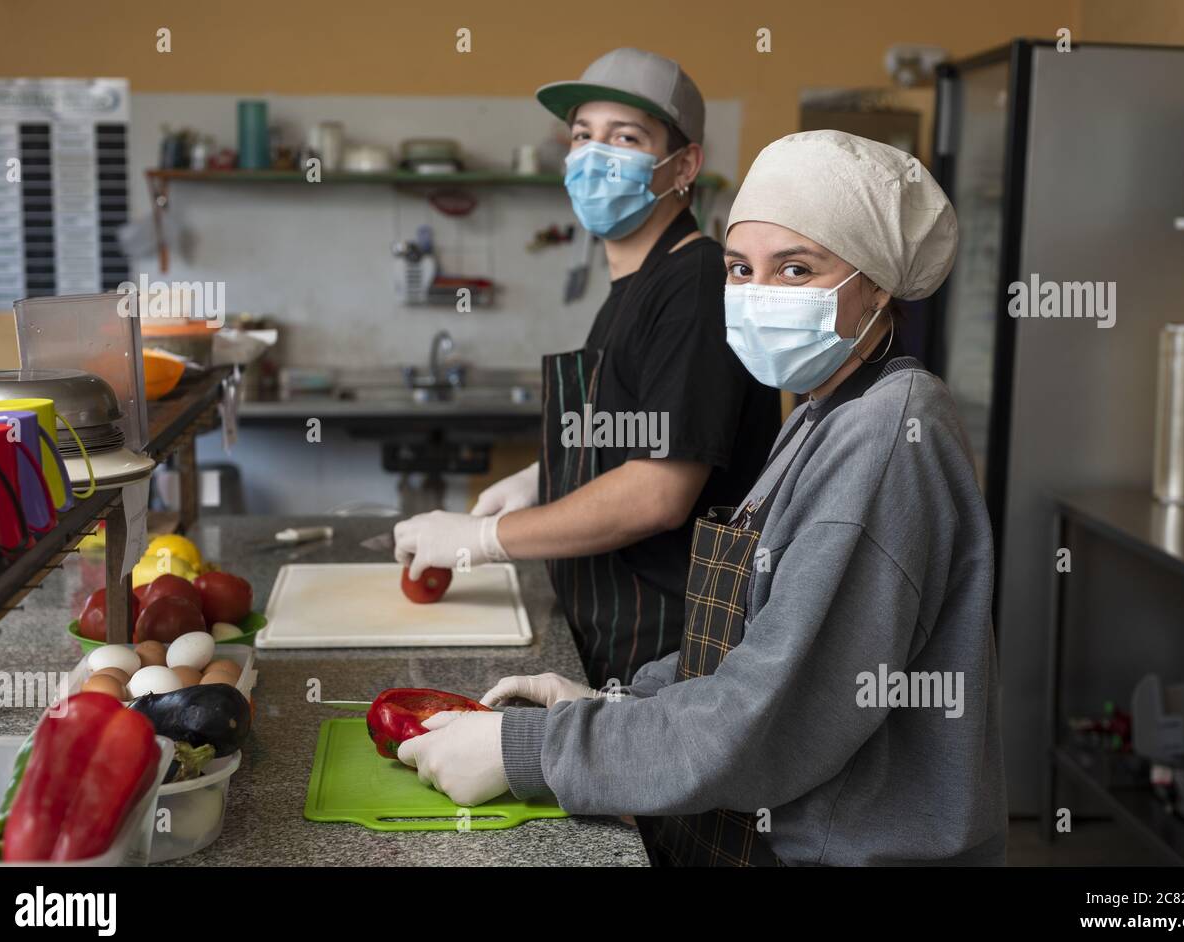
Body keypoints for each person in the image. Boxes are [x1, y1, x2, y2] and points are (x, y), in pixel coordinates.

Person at [397, 130, 1007, 866]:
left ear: (876, 284)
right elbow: (750, 642)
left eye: (797, 269)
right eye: (741, 269)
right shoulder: (825, 410)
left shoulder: (889, 438)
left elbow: (765, 719)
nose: (758, 295)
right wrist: (616, 704)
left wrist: (533, 752)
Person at [391, 49, 779, 687]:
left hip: (673, 648)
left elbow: (658, 493)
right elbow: (637, 429)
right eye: (582, 136)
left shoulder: (696, 281)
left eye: (625, 138)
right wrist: (544, 476)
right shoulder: (636, 285)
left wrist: (488, 537)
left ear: (683, 165)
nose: (595, 155)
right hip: (615, 630)